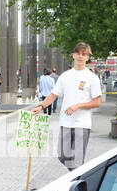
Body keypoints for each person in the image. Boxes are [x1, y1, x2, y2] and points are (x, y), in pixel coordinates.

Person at [33, 43, 102, 171]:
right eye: (78, 53)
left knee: (76, 161)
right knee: (62, 155)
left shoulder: (92, 78)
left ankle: (77, 182)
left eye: (84, 54)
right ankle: (78, 175)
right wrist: (41, 106)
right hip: (66, 122)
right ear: (73, 55)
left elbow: (97, 102)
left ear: (87, 57)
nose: (80, 56)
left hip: (82, 124)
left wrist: (78, 105)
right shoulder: (65, 76)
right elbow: (53, 95)